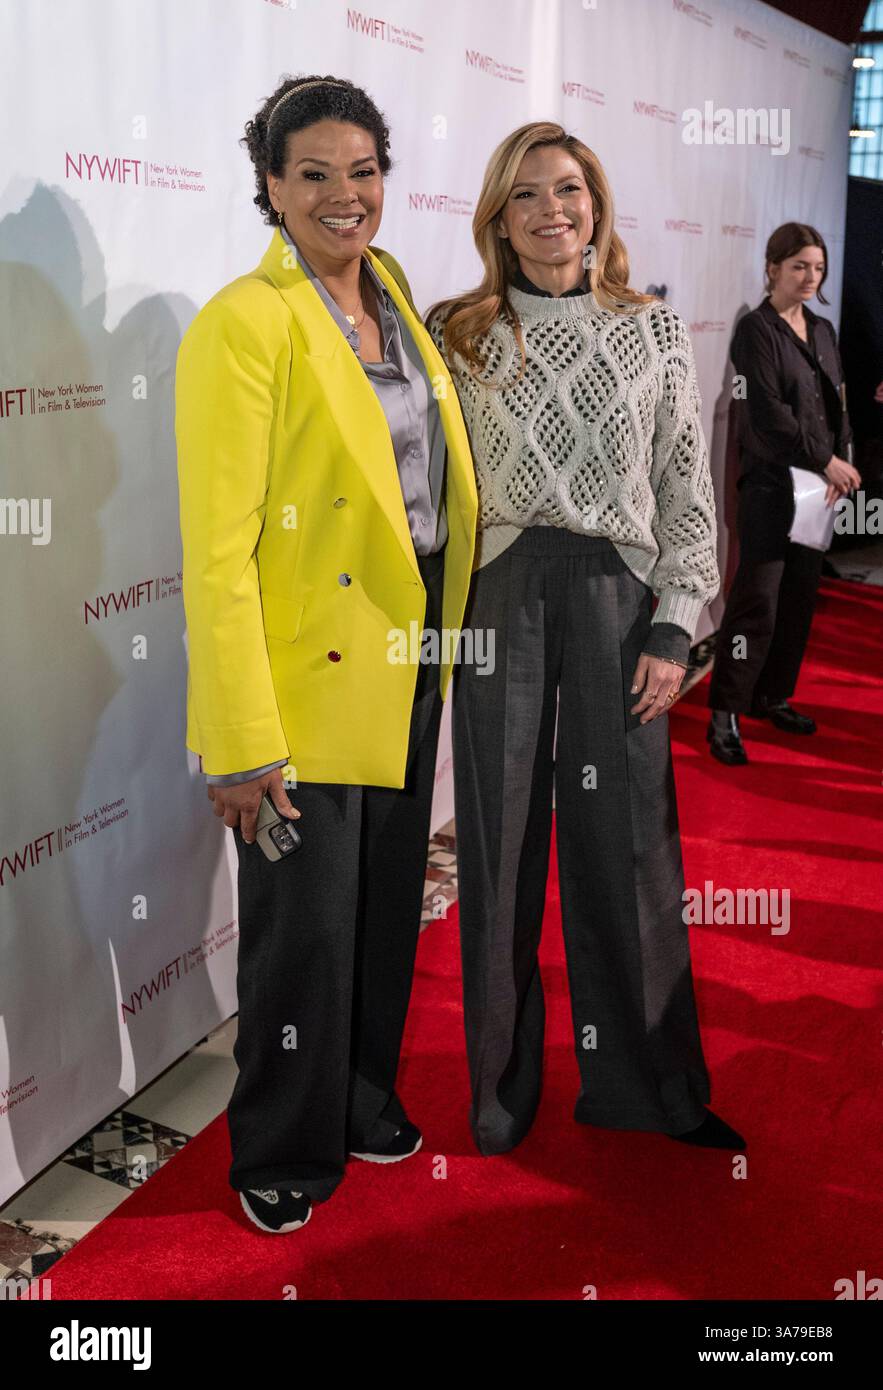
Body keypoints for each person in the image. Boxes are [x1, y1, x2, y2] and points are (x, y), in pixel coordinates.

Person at [175, 74, 477, 1233]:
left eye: (362, 171)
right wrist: (242, 744)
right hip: (301, 693)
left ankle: (357, 1096)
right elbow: (217, 556)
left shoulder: (394, 295)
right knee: (302, 931)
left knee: (383, 906)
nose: (344, 196)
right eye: (314, 174)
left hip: (405, 664)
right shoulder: (243, 325)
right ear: (271, 186)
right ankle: (282, 1149)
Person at [426, 122, 744, 1156]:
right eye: (524, 196)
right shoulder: (458, 331)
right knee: (497, 841)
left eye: (567, 190)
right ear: (497, 219)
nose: (550, 210)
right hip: (497, 600)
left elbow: (683, 492)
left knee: (630, 846)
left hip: (620, 600)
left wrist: (673, 624)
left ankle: (647, 1086)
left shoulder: (653, 330)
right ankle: (499, 1096)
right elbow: (429, 496)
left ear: (595, 206)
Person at [707, 223, 859, 764]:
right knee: (757, 603)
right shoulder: (757, 330)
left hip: (819, 488)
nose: (810, 277)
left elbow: (837, 402)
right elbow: (768, 416)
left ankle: (771, 697)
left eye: (817, 268)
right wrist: (826, 460)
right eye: (799, 266)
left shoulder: (822, 328)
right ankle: (724, 710)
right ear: (772, 268)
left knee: (799, 600)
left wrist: (843, 462)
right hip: (773, 485)